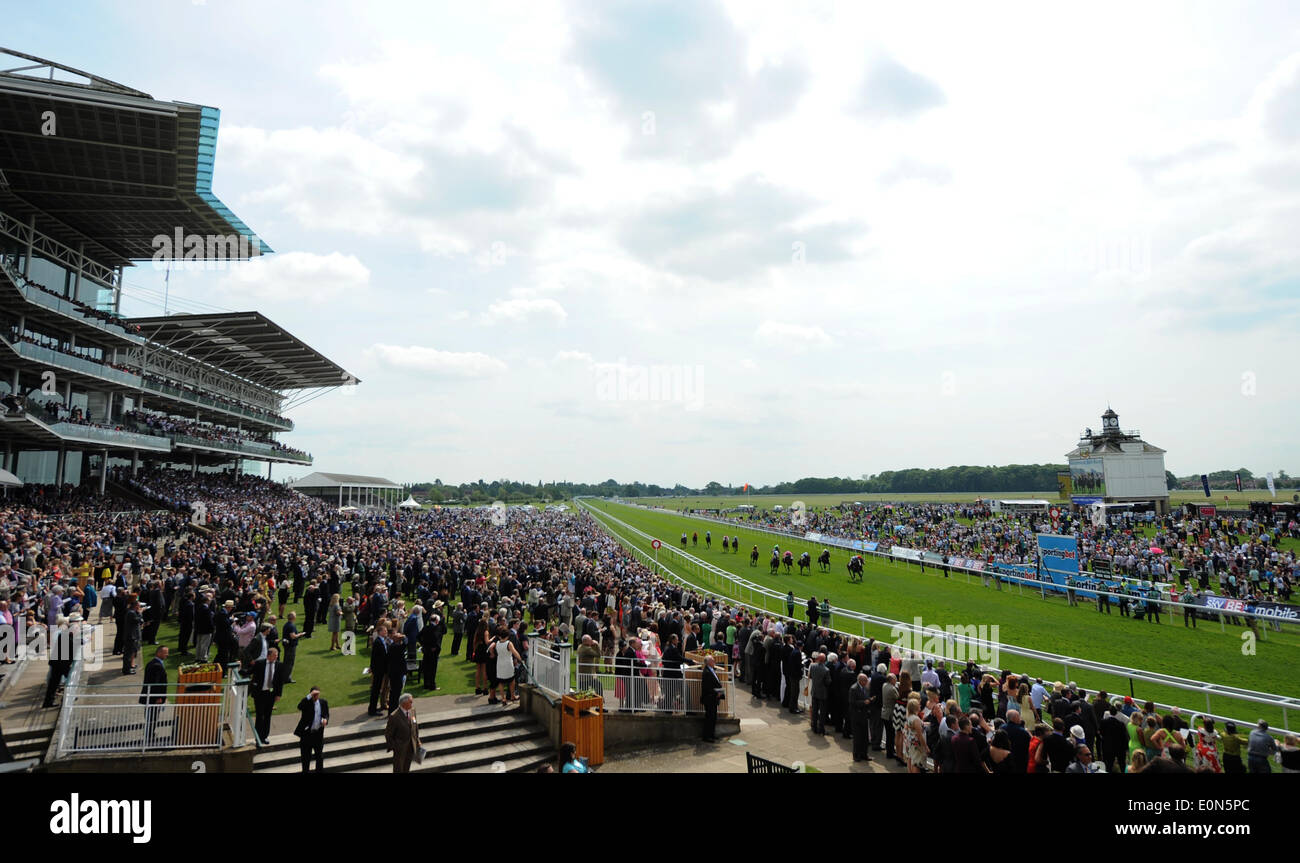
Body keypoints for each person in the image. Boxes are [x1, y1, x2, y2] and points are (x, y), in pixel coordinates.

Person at [249, 647, 286, 743]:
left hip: (271, 694)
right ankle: (258, 737)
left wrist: (278, 694)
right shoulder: (260, 663)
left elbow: (280, 681)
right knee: (259, 715)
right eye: (274, 656)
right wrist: (239, 668)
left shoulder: (279, 665)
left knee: (267, 715)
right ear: (268, 656)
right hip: (260, 694)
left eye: (277, 656)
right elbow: (249, 672)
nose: (276, 657)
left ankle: (264, 736)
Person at [139, 645, 168, 745]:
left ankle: (149, 734)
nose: (167, 655)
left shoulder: (151, 663)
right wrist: (158, 697)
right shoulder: (157, 666)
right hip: (153, 698)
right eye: (165, 653)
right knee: (153, 717)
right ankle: (149, 736)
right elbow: (155, 684)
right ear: (159, 653)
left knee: (150, 716)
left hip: (150, 697)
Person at [294, 686, 329, 772]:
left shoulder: (323, 702)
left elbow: (326, 714)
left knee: (319, 757)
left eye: (317, 694)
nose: (316, 696)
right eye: (314, 694)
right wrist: (309, 696)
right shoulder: (306, 703)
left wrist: (325, 720)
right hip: (307, 735)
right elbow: (299, 706)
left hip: (318, 734)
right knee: (306, 758)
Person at [384, 692, 421, 773]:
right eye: (410, 702)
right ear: (404, 703)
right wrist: (395, 747)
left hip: (411, 746)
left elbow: (415, 726)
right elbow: (388, 735)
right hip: (400, 749)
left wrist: (417, 740)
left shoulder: (412, 711)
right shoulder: (394, 716)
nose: (412, 703)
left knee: (406, 767)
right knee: (398, 769)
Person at [849, 672, 873, 762]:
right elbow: (852, 702)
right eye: (866, 680)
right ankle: (856, 755)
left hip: (864, 715)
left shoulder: (865, 688)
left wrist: (869, 700)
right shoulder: (853, 689)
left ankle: (864, 754)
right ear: (861, 681)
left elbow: (865, 697)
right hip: (856, 716)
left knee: (865, 737)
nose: (867, 682)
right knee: (857, 738)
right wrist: (864, 702)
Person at [367, 624, 389, 716]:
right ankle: (372, 710)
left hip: (380, 669)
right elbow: (374, 657)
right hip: (378, 670)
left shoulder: (382, 641)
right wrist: (372, 668)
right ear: (380, 632)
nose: (386, 632)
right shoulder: (378, 642)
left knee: (377, 690)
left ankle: (373, 708)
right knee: (376, 690)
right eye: (385, 631)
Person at [420, 613, 446, 690]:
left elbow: (418, 636)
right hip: (433, 651)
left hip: (426, 650)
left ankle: (426, 684)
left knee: (426, 667)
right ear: (436, 621)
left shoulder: (426, 628)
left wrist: (423, 645)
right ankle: (432, 685)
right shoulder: (436, 629)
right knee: (432, 668)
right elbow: (436, 638)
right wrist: (434, 647)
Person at [701, 655, 723, 742]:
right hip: (709, 698)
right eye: (713, 660)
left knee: (713, 717)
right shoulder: (706, 672)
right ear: (709, 662)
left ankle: (712, 734)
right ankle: (707, 736)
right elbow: (707, 687)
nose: (714, 661)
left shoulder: (712, 669)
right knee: (709, 717)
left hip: (713, 698)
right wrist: (716, 693)